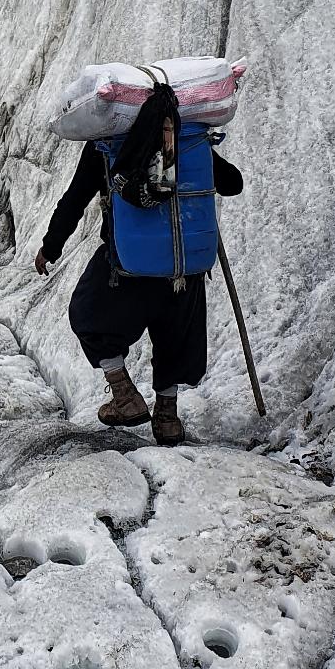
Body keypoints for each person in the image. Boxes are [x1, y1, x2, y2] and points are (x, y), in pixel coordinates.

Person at [33, 85, 244, 445]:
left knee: (86, 314)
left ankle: (124, 395)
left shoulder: (109, 147)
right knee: (173, 336)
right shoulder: (190, 143)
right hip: (183, 269)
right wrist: (199, 160)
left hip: (126, 268)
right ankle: (167, 419)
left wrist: (50, 248)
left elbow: (74, 200)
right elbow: (233, 184)